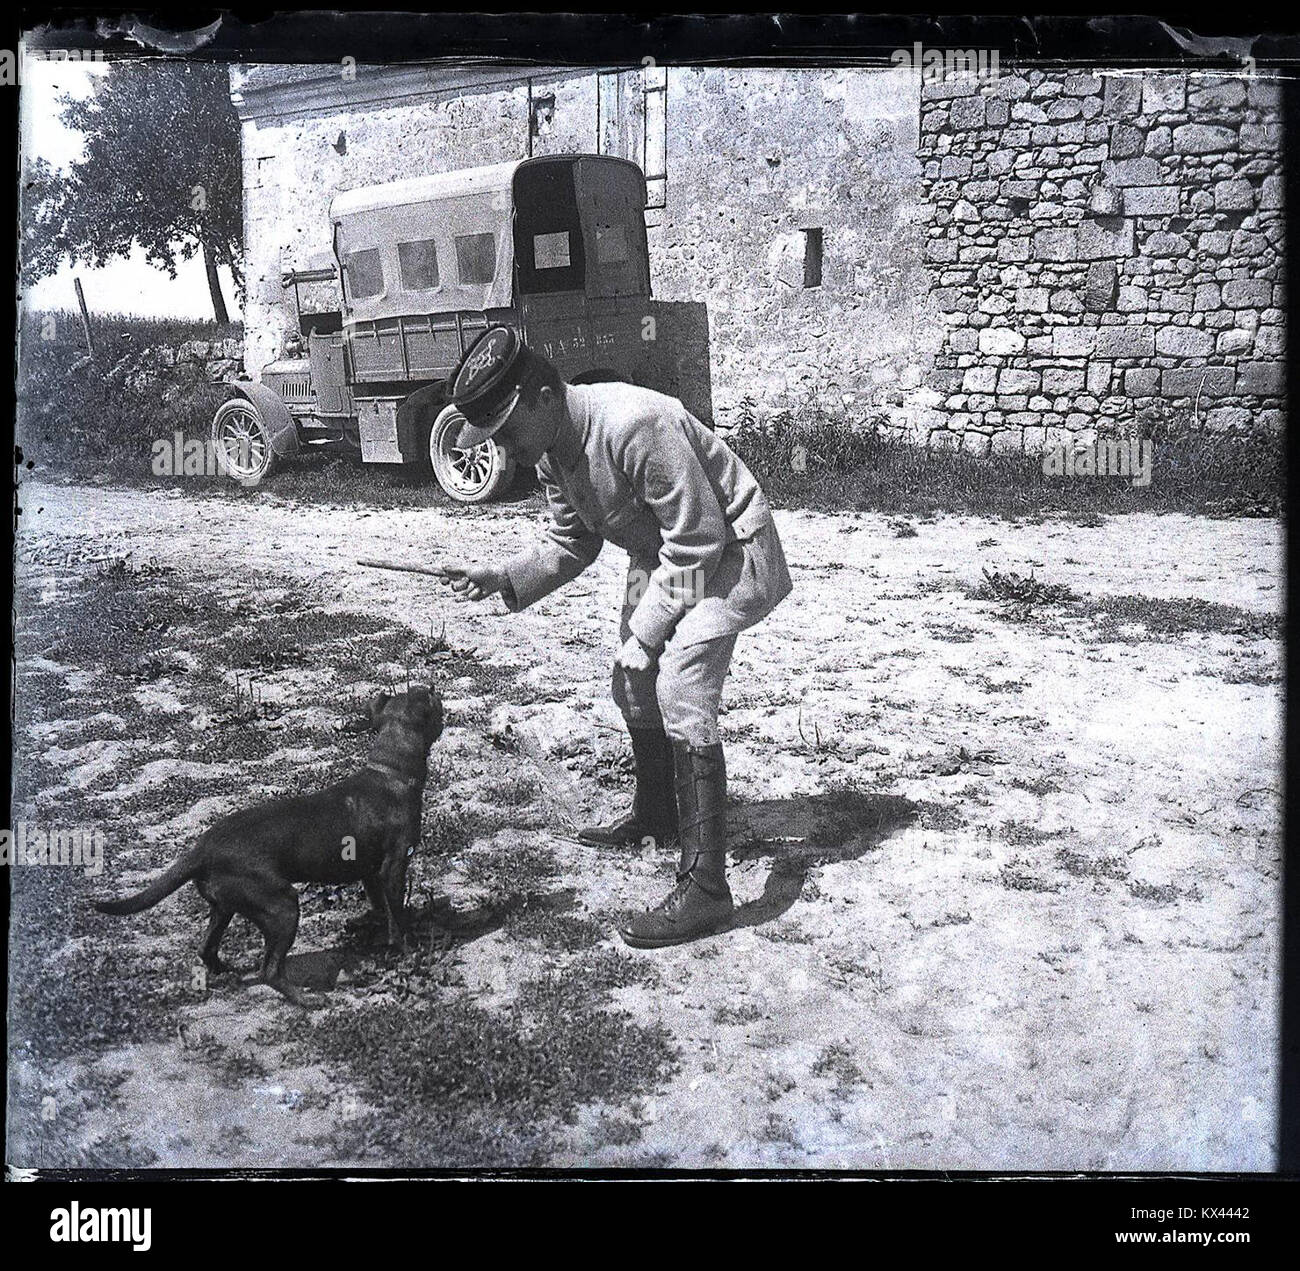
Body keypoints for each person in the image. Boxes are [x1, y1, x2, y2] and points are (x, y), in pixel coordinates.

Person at [435, 327, 792, 947]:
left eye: (507, 433)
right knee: (631, 685)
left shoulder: (634, 423)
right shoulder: (549, 449)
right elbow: (572, 541)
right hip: (665, 558)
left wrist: (650, 633)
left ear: (544, 397)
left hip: (732, 552)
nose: (508, 453)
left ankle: (707, 887)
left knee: (679, 683)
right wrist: (501, 575)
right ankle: (657, 813)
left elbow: (701, 540)